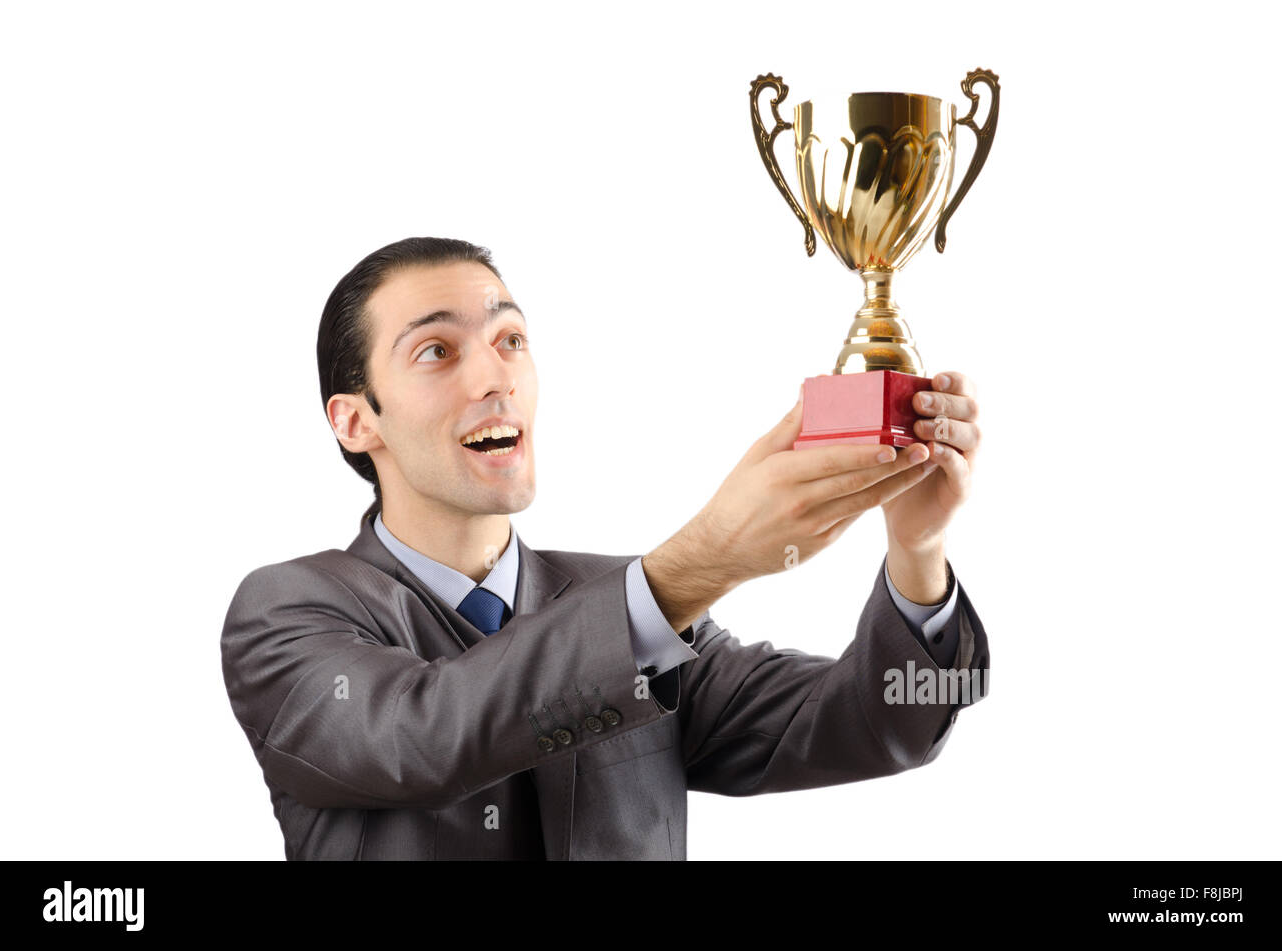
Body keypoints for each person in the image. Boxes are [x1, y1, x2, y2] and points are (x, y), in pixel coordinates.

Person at [220, 236, 991, 860]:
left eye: (509, 339)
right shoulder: (284, 615)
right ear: (357, 421)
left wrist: (917, 549)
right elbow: (421, 738)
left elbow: (879, 723)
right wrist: (702, 561)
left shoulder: (637, 604)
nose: (496, 376)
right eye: (436, 352)